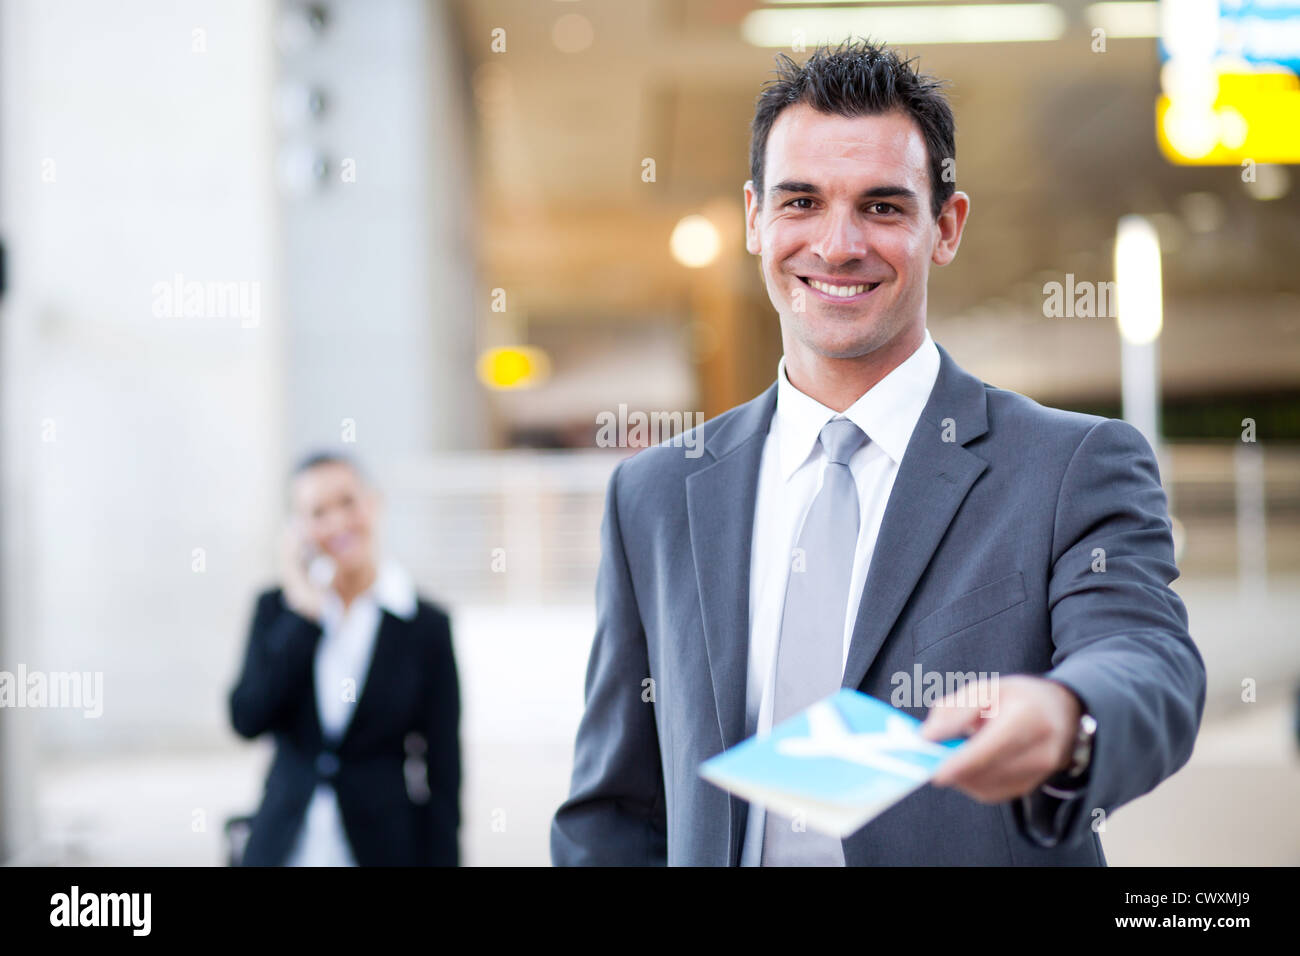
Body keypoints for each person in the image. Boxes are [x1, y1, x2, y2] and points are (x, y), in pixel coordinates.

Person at [552, 39, 1205, 866]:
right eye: (801, 203)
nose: (836, 246)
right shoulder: (654, 495)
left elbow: (1148, 659)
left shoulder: (1070, 467)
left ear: (947, 226)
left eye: (883, 207)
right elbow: (616, 807)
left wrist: (1069, 713)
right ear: (755, 218)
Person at [229, 451, 460, 866]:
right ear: (297, 530)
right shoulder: (278, 611)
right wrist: (305, 615)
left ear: (373, 504)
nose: (337, 522)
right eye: (318, 512)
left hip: (384, 849)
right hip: (284, 847)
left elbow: (444, 767)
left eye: (347, 503)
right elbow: (247, 718)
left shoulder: (423, 625)